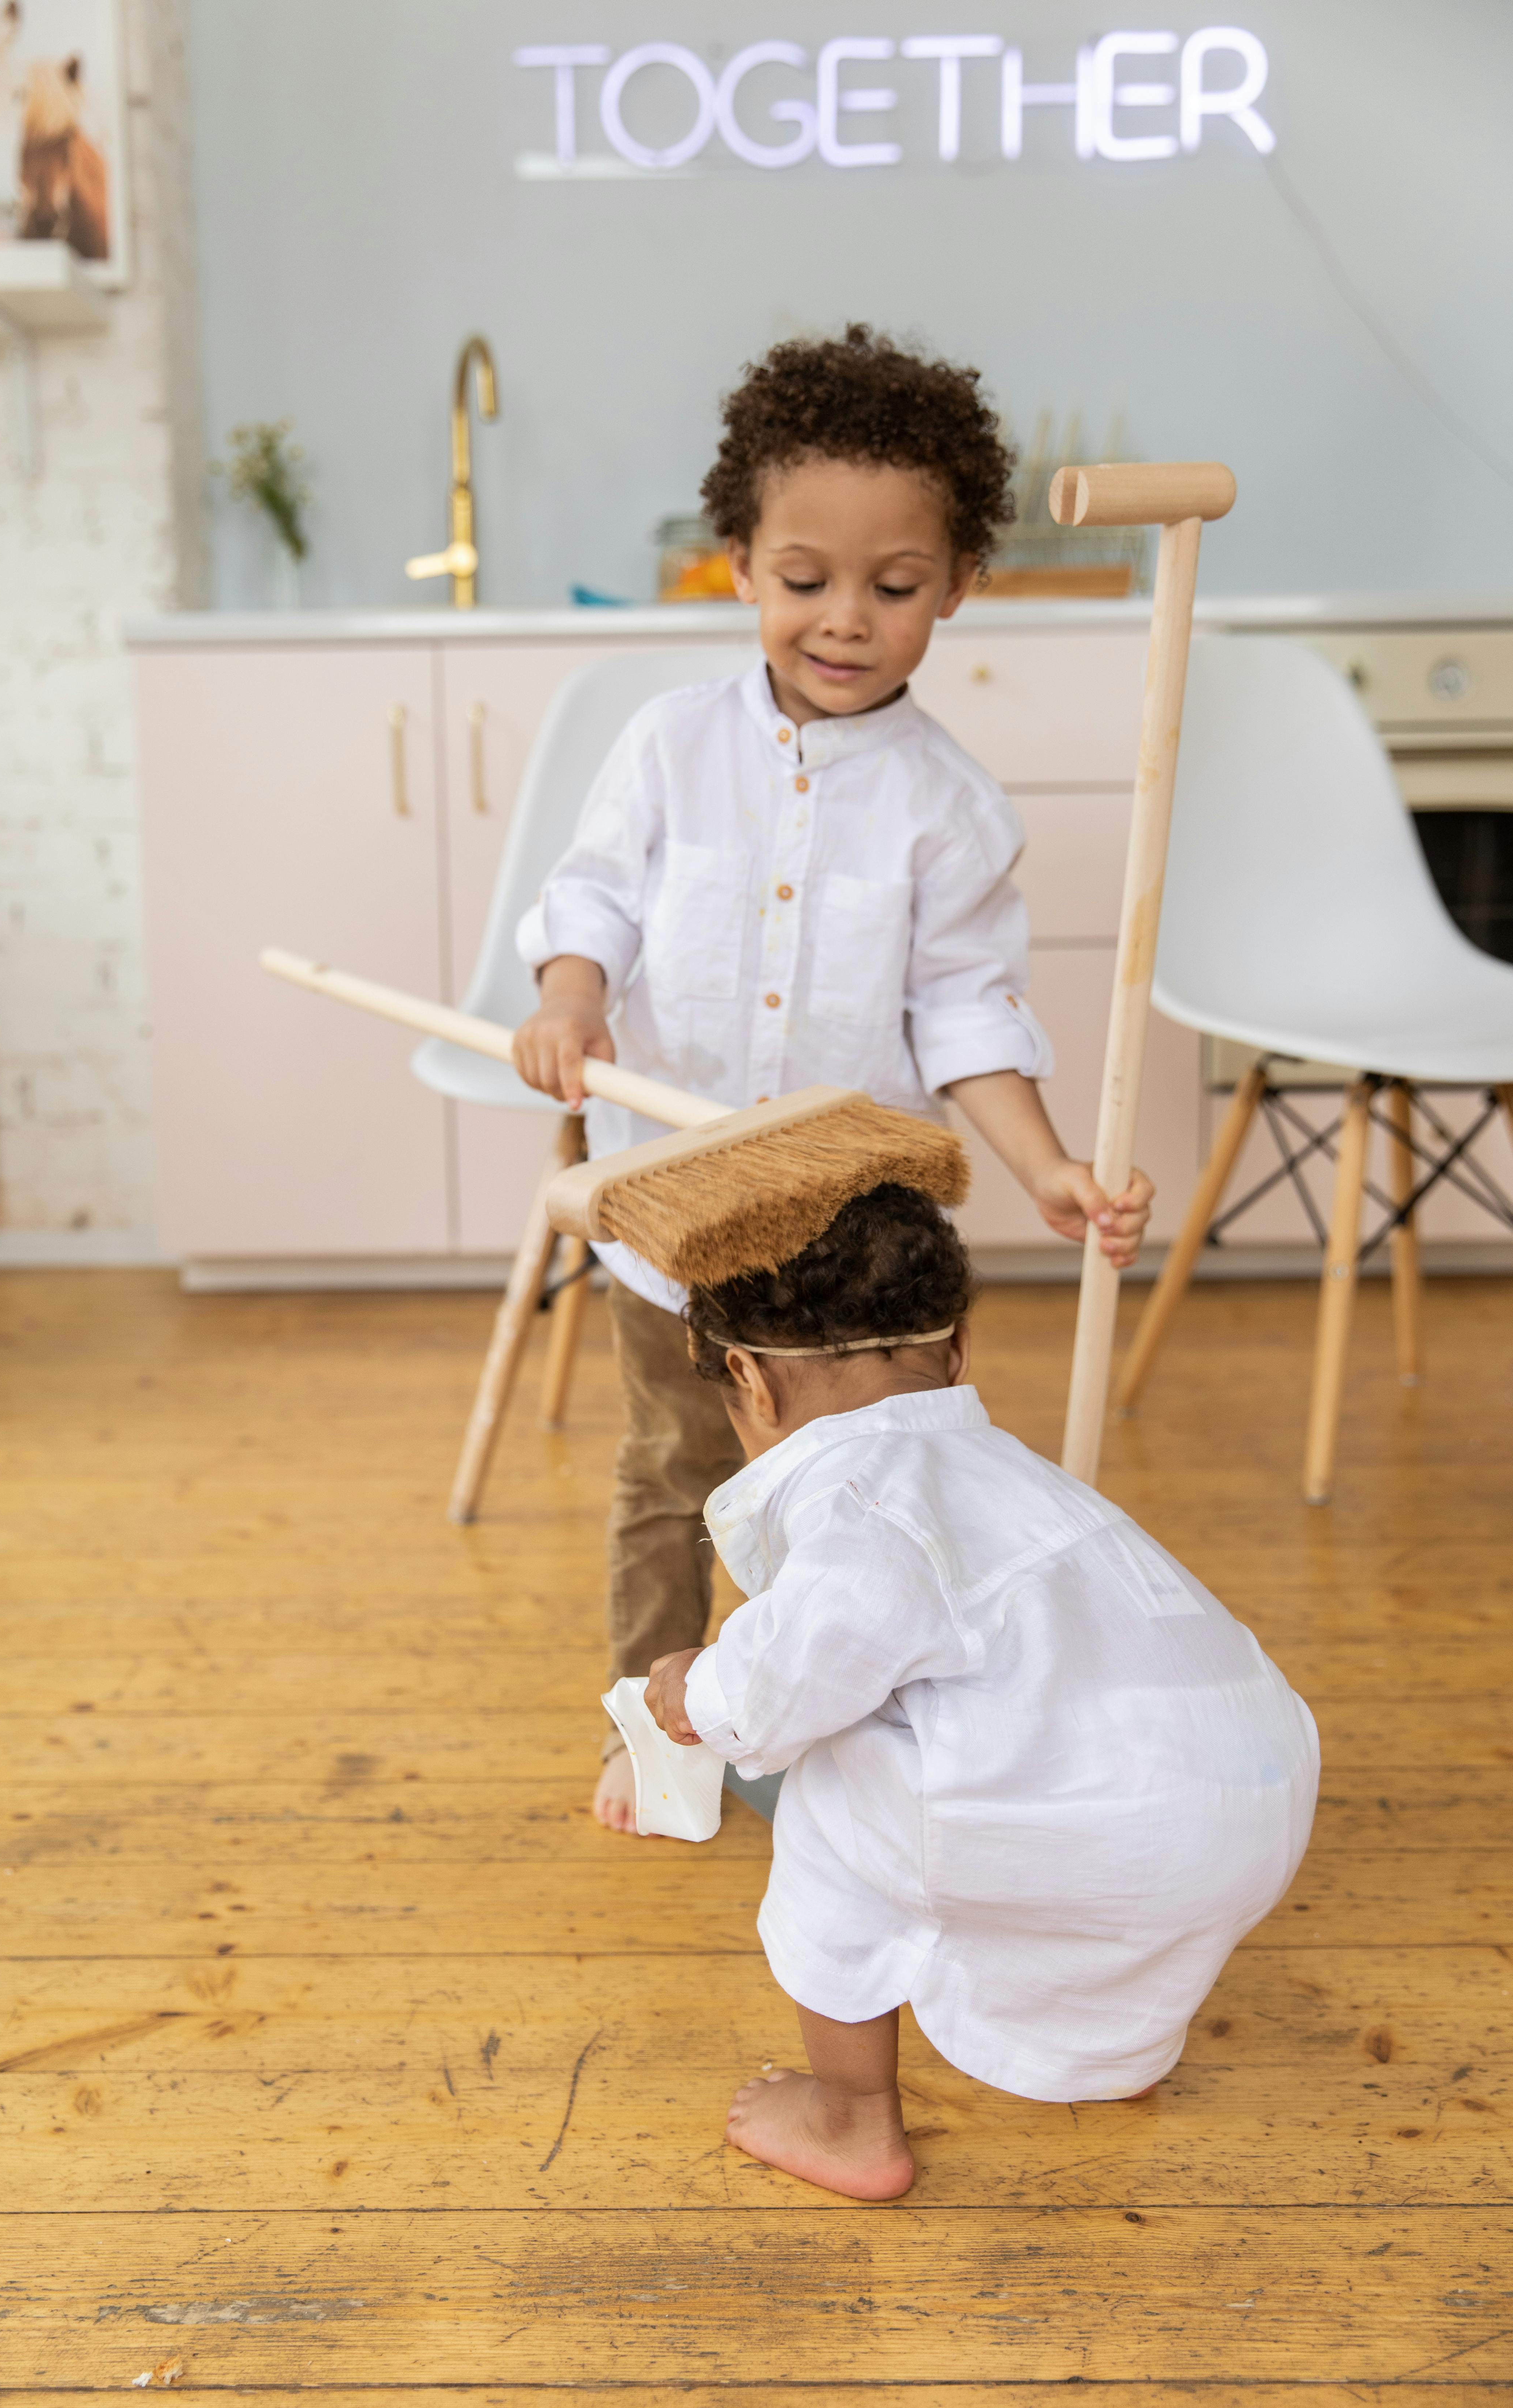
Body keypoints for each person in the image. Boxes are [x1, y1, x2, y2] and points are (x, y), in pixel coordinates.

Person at [512, 325, 1155, 1836]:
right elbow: (589, 902)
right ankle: (656, 1731)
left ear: (957, 586)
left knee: (855, 1506)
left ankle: (830, 1730)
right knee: (675, 1475)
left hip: (848, 1237)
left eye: (895, 585)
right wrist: (568, 994)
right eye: (805, 580)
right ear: (737, 564)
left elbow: (967, 1017)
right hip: (669, 1214)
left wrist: (1049, 1167)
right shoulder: (668, 750)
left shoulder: (952, 808)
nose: (845, 619)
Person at [643, 1183, 1319, 2201]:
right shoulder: (1011, 1475)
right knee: (993, 1738)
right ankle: (1112, 2050)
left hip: (1120, 1832)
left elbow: (781, 1685)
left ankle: (851, 2121)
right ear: (956, 1348)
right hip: (1259, 1797)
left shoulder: (862, 1501)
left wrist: (696, 1685)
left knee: (831, 1804)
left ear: (750, 1379)